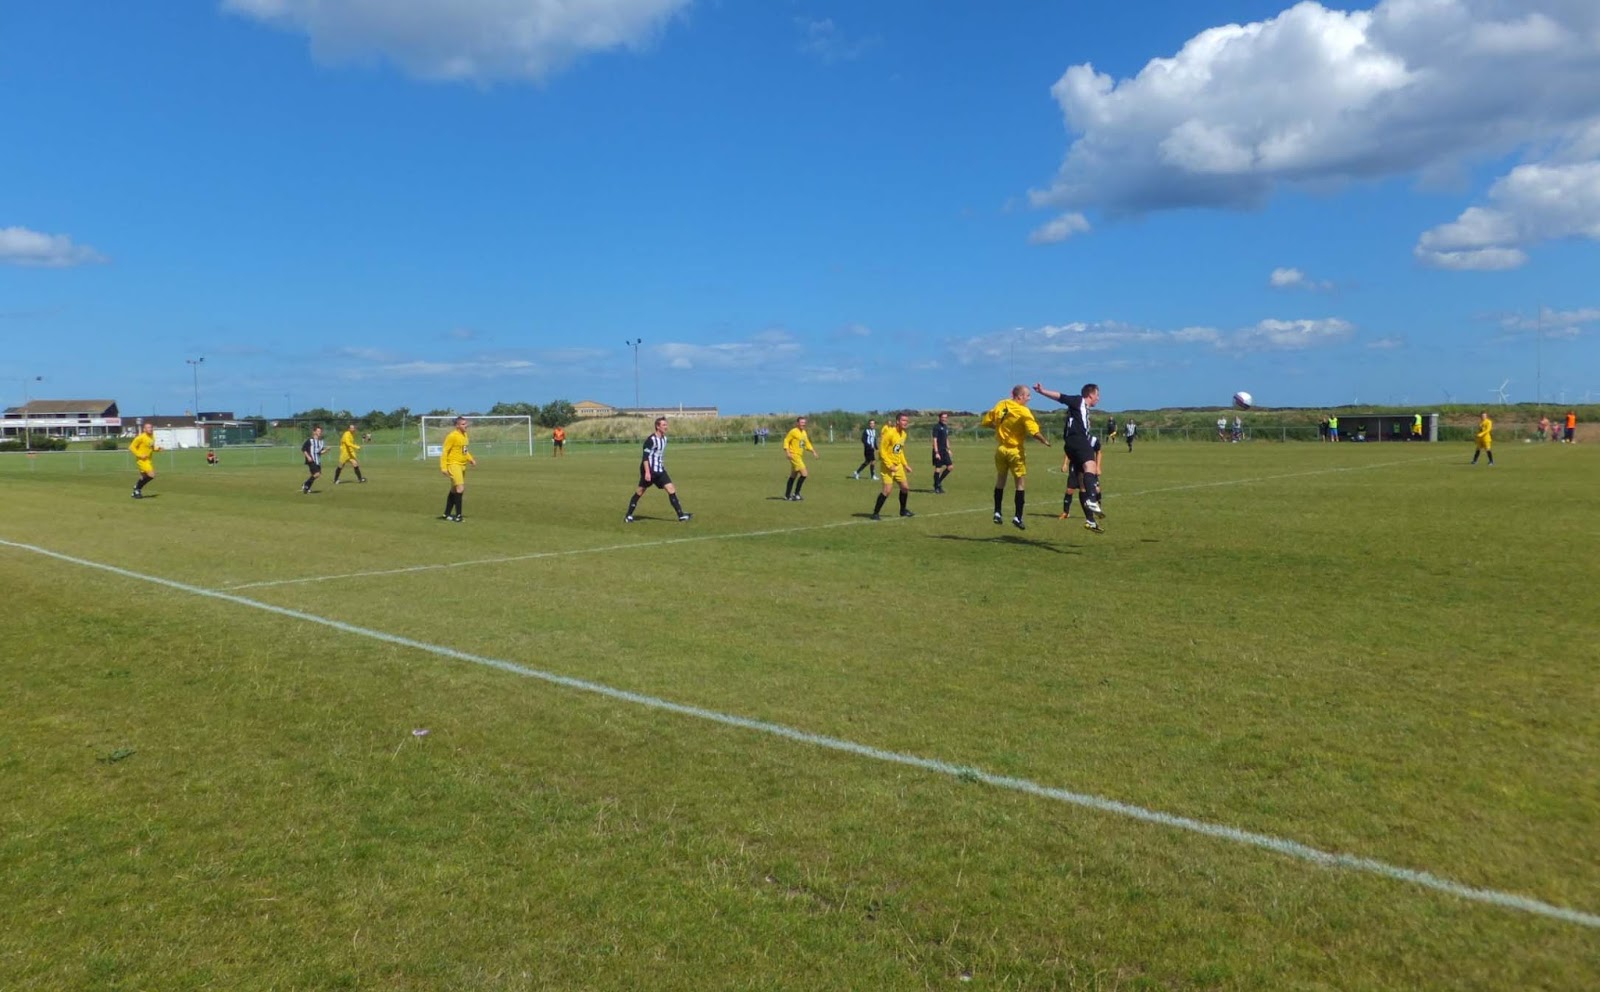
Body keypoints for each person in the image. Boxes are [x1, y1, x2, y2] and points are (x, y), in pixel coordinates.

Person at [1034, 382, 1103, 533]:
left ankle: (1090, 520)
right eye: (1097, 394)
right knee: (1090, 467)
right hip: (1078, 441)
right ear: (1090, 394)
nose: (1099, 398)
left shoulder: (1083, 411)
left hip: (1070, 445)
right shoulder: (1079, 401)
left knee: (1083, 483)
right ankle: (1092, 500)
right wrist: (1042, 391)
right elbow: (1061, 397)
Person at [982, 384, 1050, 530]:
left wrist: (998, 428)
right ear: (1019, 396)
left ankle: (997, 512)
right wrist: (1044, 440)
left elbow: (986, 421)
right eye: (1028, 396)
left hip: (1000, 449)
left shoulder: (1001, 404)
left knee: (1001, 480)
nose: (1029, 399)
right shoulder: (1023, 411)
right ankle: (1018, 517)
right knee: (1020, 483)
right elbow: (1033, 431)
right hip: (1015, 451)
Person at [626, 417, 691, 522]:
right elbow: (645, 458)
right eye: (664, 425)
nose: (666, 427)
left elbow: (659, 455)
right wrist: (647, 472)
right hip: (650, 471)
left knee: (671, 489)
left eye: (666, 424)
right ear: (657, 426)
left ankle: (681, 515)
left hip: (660, 470)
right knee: (640, 491)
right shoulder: (650, 440)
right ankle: (628, 515)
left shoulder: (664, 439)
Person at [870, 412, 914, 519]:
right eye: (903, 420)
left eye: (906, 421)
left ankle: (903, 511)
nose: (905, 422)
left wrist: (905, 465)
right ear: (897, 421)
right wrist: (889, 465)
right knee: (887, 490)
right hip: (887, 466)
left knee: (905, 488)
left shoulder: (903, 434)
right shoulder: (889, 433)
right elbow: (882, 451)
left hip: (898, 466)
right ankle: (875, 513)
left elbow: (899, 451)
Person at [439, 416, 476, 520]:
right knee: (460, 488)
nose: (466, 425)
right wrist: (443, 467)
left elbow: (464, 451)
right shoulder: (452, 436)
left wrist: (471, 459)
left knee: (454, 489)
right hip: (453, 464)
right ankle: (459, 516)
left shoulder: (465, 435)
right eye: (463, 424)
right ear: (457, 425)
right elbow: (445, 451)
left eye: (466, 423)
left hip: (462, 465)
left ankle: (446, 514)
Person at [782, 416, 818, 500]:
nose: (803, 424)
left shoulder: (804, 432)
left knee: (793, 475)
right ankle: (796, 493)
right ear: (797, 423)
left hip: (799, 456)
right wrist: (787, 452)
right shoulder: (793, 431)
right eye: (801, 422)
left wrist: (813, 451)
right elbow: (786, 441)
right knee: (804, 474)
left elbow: (806, 443)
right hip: (794, 455)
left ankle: (787, 495)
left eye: (804, 423)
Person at [129, 422, 160, 498]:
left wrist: (157, 449)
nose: (150, 429)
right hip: (141, 460)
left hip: (148, 459)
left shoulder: (152, 437)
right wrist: (140, 455)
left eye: (151, 427)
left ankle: (136, 492)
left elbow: (151, 448)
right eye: (148, 427)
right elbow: (131, 447)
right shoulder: (140, 437)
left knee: (143, 477)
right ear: (144, 429)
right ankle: (137, 487)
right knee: (152, 475)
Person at [930, 412, 954, 493]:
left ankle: (938, 483)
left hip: (944, 450)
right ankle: (937, 487)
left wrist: (949, 449)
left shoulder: (946, 427)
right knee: (938, 468)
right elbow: (934, 440)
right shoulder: (936, 427)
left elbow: (946, 438)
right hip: (938, 450)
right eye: (943, 417)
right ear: (939, 418)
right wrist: (936, 452)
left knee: (950, 467)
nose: (944, 419)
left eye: (946, 417)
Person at [300, 425, 327, 494]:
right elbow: (303, 449)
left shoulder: (321, 442)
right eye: (318, 431)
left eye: (320, 431)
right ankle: (306, 485)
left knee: (316, 475)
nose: (320, 432)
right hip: (311, 460)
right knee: (317, 474)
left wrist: (326, 450)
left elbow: (319, 452)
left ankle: (306, 487)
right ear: (314, 432)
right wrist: (308, 457)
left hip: (317, 461)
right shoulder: (310, 440)